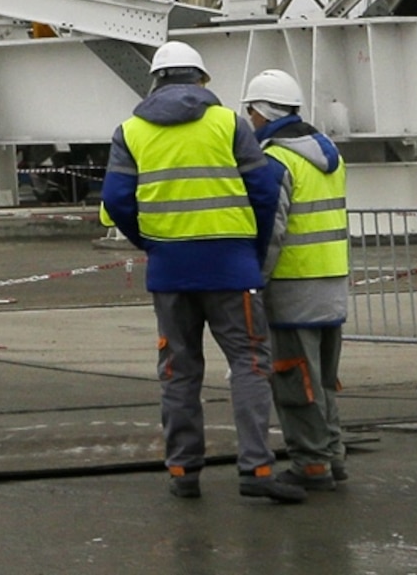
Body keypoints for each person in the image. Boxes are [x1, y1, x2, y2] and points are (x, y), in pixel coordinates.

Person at [103, 39, 298, 504]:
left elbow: (115, 201)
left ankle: (183, 471)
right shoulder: (229, 122)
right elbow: (265, 191)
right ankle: (257, 468)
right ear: (202, 80)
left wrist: (151, 242)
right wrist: (249, 250)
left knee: (178, 371)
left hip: (170, 272)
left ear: (155, 81)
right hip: (232, 269)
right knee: (250, 365)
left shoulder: (130, 131)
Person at [244, 68, 349, 495]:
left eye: (249, 112)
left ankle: (310, 463)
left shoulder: (276, 160)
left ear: (262, 113)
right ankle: (332, 454)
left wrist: (254, 281)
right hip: (331, 281)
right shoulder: (328, 154)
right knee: (322, 378)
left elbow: (273, 231)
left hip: (292, 285)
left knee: (294, 378)